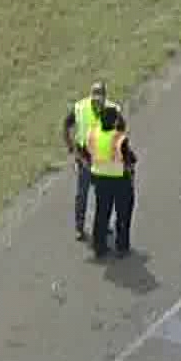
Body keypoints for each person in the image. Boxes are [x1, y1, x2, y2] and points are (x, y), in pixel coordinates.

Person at [62, 81, 115, 241]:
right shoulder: (80, 108)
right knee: (82, 194)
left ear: (105, 97)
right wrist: (71, 147)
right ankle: (80, 227)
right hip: (85, 158)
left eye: (100, 97)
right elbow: (66, 125)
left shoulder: (112, 110)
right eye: (95, 96)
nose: (97, 100)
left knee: (104, 194)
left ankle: (103, 225)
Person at [87, 104, 138, 258]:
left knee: (101, 213)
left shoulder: (94, 135)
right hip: (119, 179)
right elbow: (130, 158)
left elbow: (86, 151)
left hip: (100, 179)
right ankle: (122, 246)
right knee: (123, 213)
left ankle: (99, 245)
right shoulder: (118, 138)